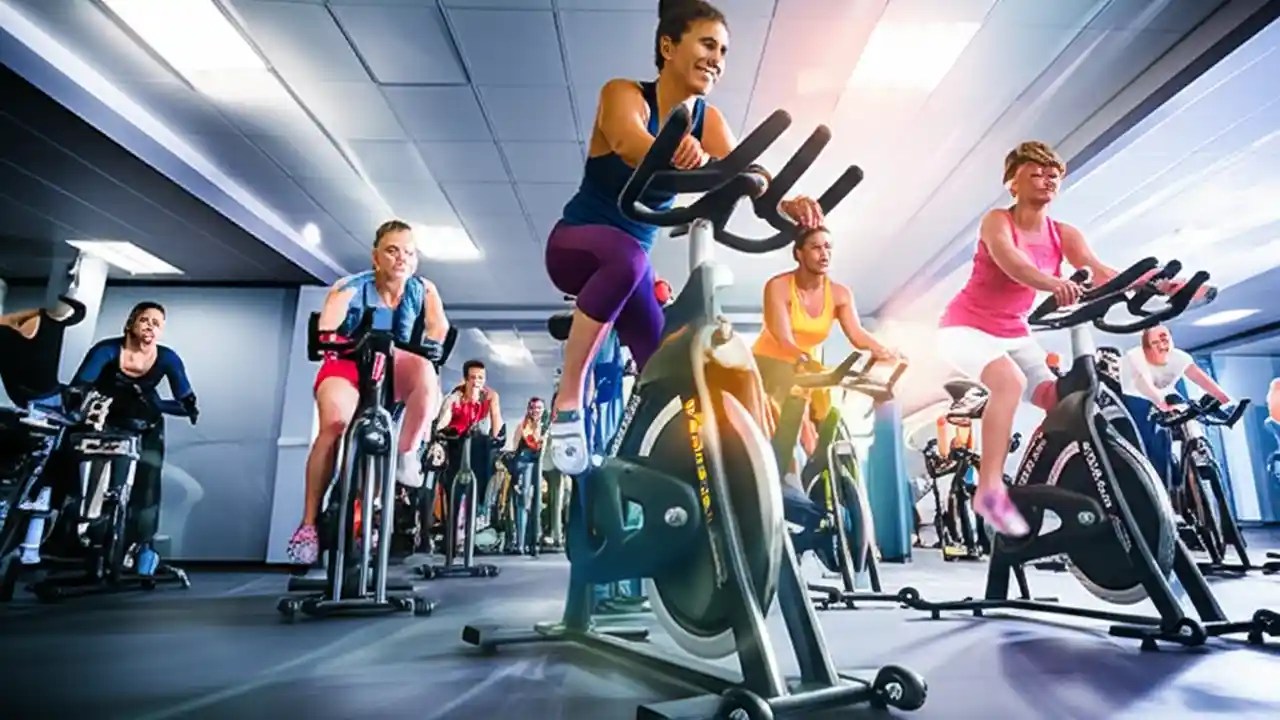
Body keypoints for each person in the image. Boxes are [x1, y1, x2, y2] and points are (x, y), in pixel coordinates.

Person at [543, 0, 826, 475]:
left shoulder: (706, 120)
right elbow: (628, 141)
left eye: (723, 51)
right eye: (707, 44)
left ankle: (650, 470)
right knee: (629, 258)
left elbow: (744, 169)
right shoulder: (625, 94)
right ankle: (568, 399)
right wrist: (671, 147)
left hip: (631, 272)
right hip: (576, 246)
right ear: (668, 46)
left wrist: (785, 202)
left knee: (667, 368)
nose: (717, 59)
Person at [934, 140, 1200, 538]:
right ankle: (989, 491)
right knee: (1010, 382)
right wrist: (1053, 283)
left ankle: (1046, 475)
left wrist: (1163, 286)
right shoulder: (997, 221)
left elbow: (1101, 271)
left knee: (1063, 400)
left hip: (1014, 331)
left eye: (1053, 175)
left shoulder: (1063, 234)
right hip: (964, 327)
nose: (1047, 180)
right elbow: (1012, 262)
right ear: (1013, 183)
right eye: (1036, 173)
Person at [286, 220, 448, 566]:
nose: (401, 258)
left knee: (426, 372)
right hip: (348, 362)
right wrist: (330, 334)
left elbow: (439, 327)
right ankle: (309, 524)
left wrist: (431, 343)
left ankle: (405, 454)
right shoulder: (350, 287)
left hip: (394, 363)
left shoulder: (424, 290)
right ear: (376, 257)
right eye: (392, 251)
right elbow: (328, 324)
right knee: (334, 425)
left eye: (409, 253)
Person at [70, 302, 198, 576]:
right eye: (145, 320)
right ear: (130, 323)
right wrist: (79, 406)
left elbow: (187, 403)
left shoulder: (167, 358)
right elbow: (78, 388)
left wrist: (159, 405)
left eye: (157, 323)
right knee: (86, 479)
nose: (151, 326)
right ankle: (78, 538)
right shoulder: (106, 350)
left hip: (144, 425)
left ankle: (141, 547)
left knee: (147, 485)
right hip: (105, 421)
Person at [753, 226, 899, 458]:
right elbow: (784, 340)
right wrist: (803, 360)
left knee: (827, 414)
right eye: (815, 247)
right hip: (769, 364)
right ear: (799, 253)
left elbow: (857, 334)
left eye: (828, 247)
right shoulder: (778, 287)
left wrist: (881, 350)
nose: (824, 254)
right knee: (800, 419)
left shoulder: (840, 294)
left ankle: (827, 464)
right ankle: (795, 461)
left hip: (808, 366)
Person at [1118, 324, 1231, 485]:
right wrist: (1160, 402)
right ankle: (1160, 478)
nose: (1162, 346)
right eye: (1155, 343)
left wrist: (1225, 401)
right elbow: (1144, 384)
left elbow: (1200, 378)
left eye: (1165, 341)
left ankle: (1195, 445)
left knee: (1186, 409)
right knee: (1151, 445)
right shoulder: (1136, 357)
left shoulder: (1179, 357)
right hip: (1139, 395)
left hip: (1166, 391)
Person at [435, 359, 503, 524]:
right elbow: (443, 421)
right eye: (472, 378)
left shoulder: (489, 398)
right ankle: (450, 514)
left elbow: (496, 424)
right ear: (465, 379)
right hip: (455, 441)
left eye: (480, 378)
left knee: (486, 456)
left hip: (477, 444)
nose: (476, 382)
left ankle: (480, 508)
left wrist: (496, 436)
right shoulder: (455, 398)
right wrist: (441, 432)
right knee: (449, 473)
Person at [501, 397, 546, 554]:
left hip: (540, 467)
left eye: (539, 408)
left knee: (537, 504)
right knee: (522, 502)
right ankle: (520, 543)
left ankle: (534, 540)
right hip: (524, 466)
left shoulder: (546, 428)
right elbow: (514, 449)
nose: (536, 411)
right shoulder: (522, 427)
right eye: (533, 408)